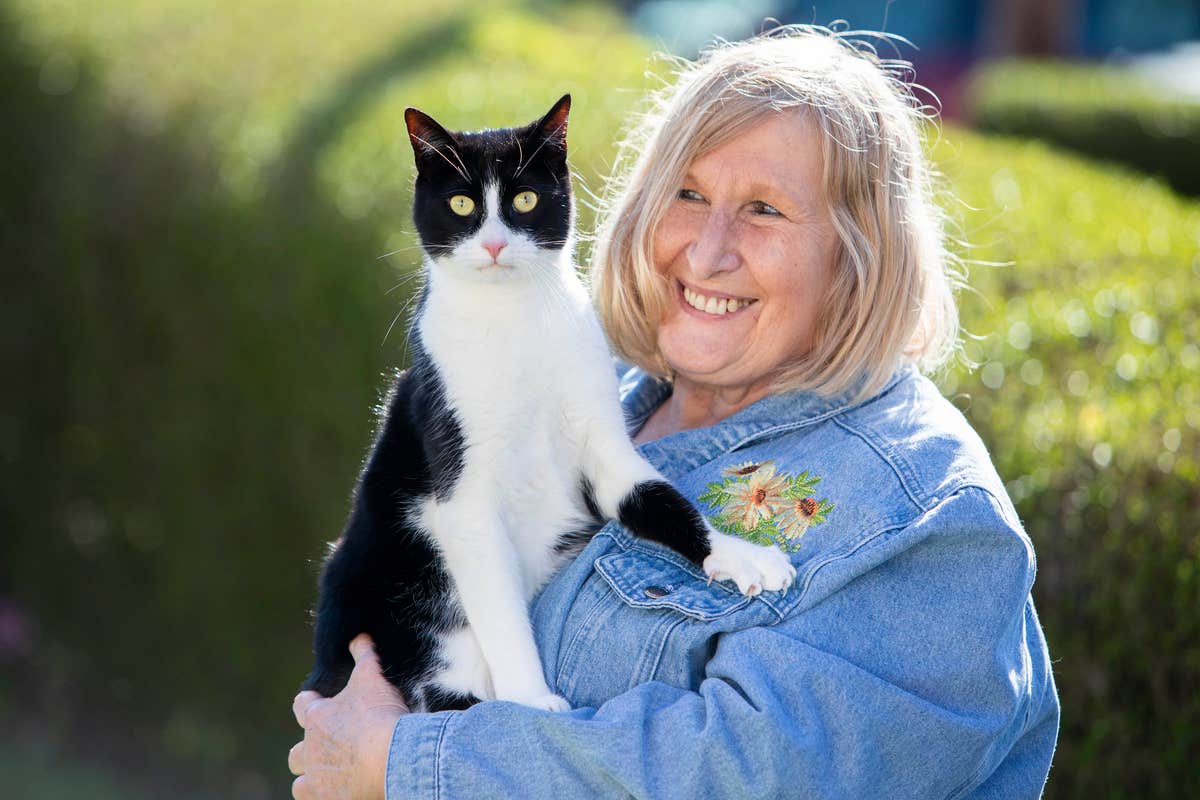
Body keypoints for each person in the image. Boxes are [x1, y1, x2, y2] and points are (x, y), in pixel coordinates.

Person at [288, 26, 1059, 799]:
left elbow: (742, 771)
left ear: (863, 254)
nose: (706, 250)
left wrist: (406, 761)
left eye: (763, 210)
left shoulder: (934, 522)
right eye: (687, 194)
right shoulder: (611, 396)